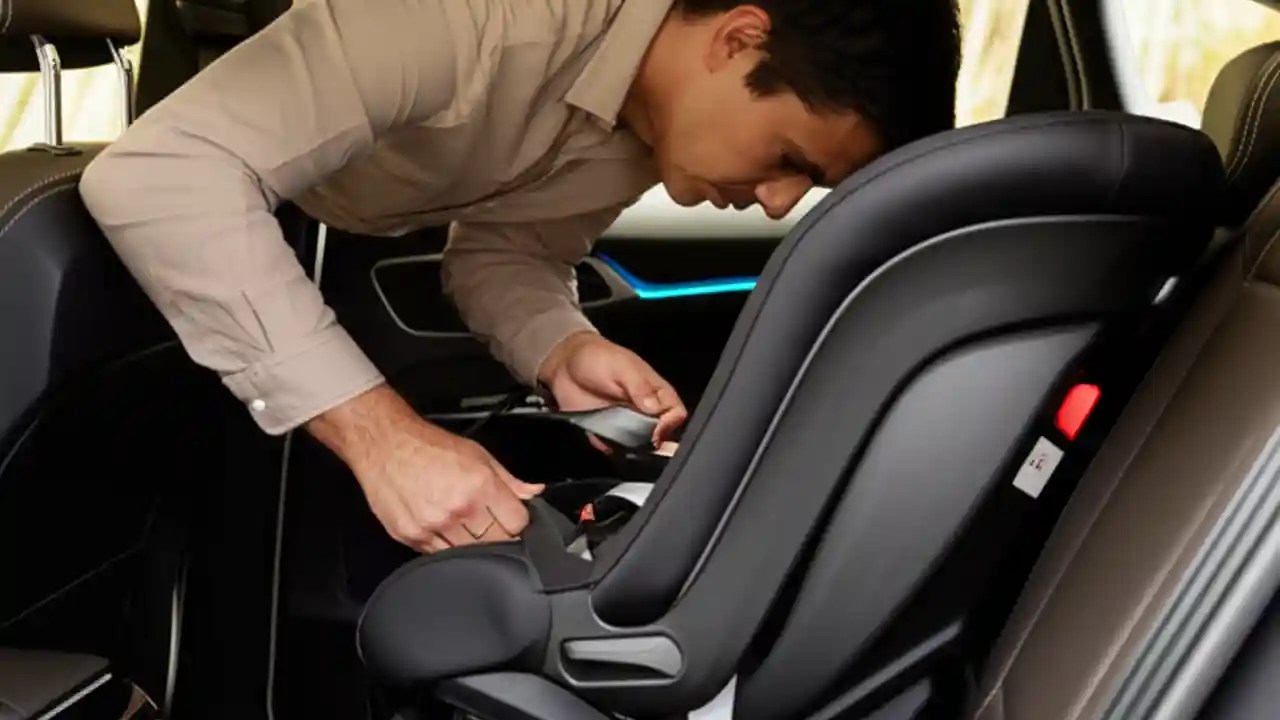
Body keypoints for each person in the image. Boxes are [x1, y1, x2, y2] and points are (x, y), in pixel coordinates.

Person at [79, 0, 961, 555]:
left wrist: (560, 345)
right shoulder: (484, 15)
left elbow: (508, 249)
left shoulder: (650, 124)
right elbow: (161, 174)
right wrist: (384, 439)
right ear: (738, 39)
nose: (778, 206)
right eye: (788, 159)